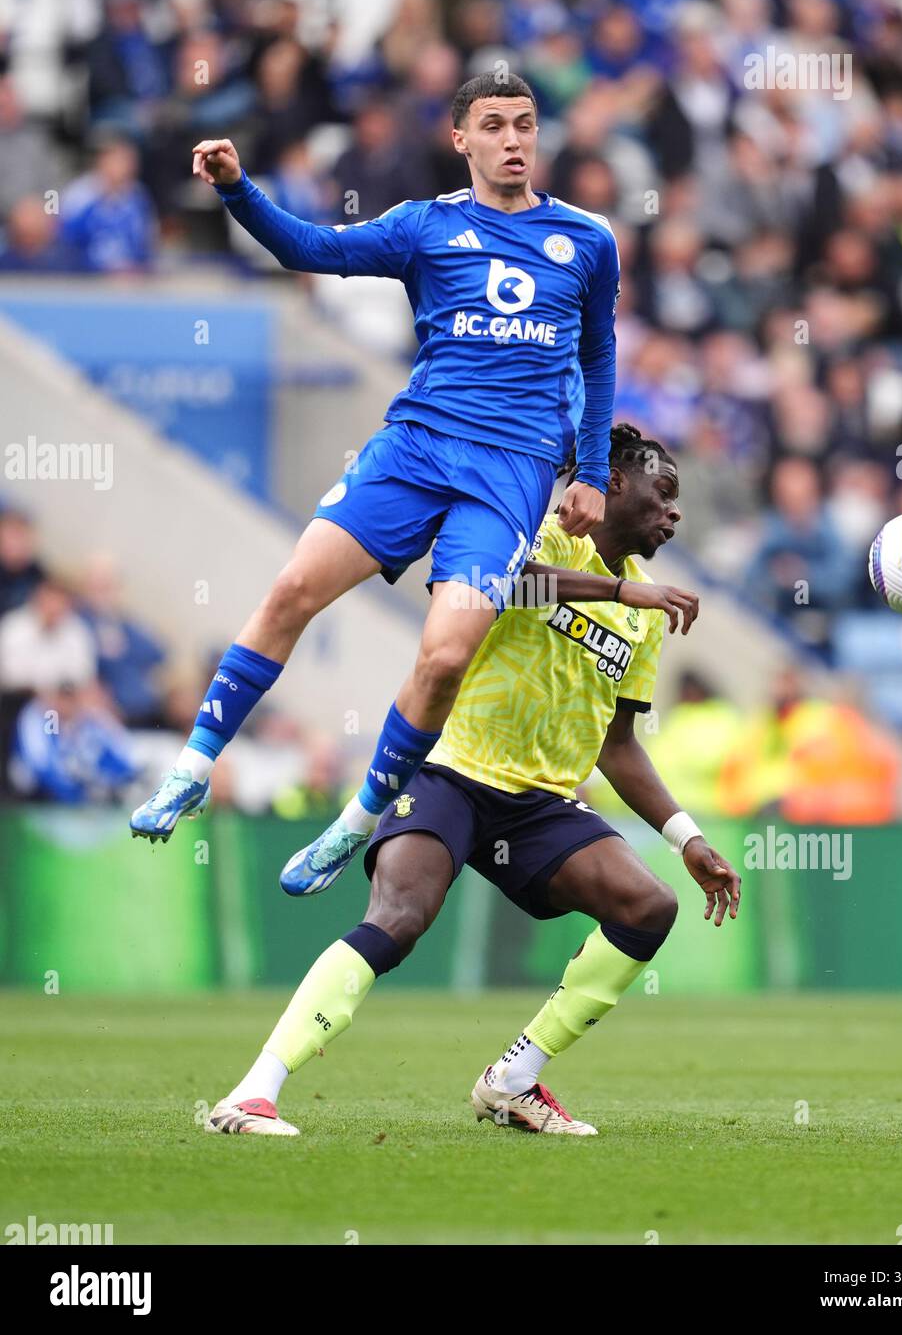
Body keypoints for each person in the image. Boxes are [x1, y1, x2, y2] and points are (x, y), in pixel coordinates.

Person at [130, 72, 626, 894]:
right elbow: (309, 250)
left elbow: (598, 354)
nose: (513, 140)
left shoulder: (587, 240)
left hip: (509, 477)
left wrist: (595, 472)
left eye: (526, 125)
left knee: (443, 659)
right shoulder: (424, 227)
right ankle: (191, 766)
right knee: (292, 589)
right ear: (460, 138)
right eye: (495, 125)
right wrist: (236, 189)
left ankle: (355, 822)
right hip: (415, 449)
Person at [204, 426, 739, 1138]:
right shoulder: (538, 535)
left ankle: (513, 1080)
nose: (674, 514)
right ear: (610, 482)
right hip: (448, 772)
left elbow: (618, 748)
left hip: (539, 808)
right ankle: (252, 1094)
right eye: (663, 494)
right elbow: (496, 585)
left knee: (647, 906)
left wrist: (687, 837)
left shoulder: (642, 614)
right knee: (398, 919)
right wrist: (617, 592)